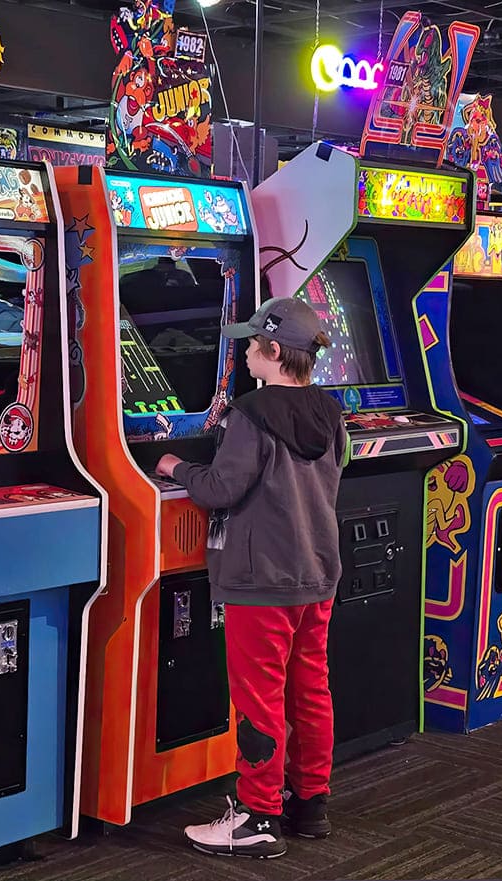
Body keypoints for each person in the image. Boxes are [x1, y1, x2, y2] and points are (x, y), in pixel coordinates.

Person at [155, 296, 347, 859]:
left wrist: (174, 466)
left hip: (261, 580)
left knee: (259, 699)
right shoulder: (331, 411)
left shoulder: (251, 414)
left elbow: (221, 488)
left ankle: (258, 816)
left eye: (251, 343)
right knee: (310, 691)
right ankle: (310, 803)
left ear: (273, 351)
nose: (243, 352)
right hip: (317, 573)